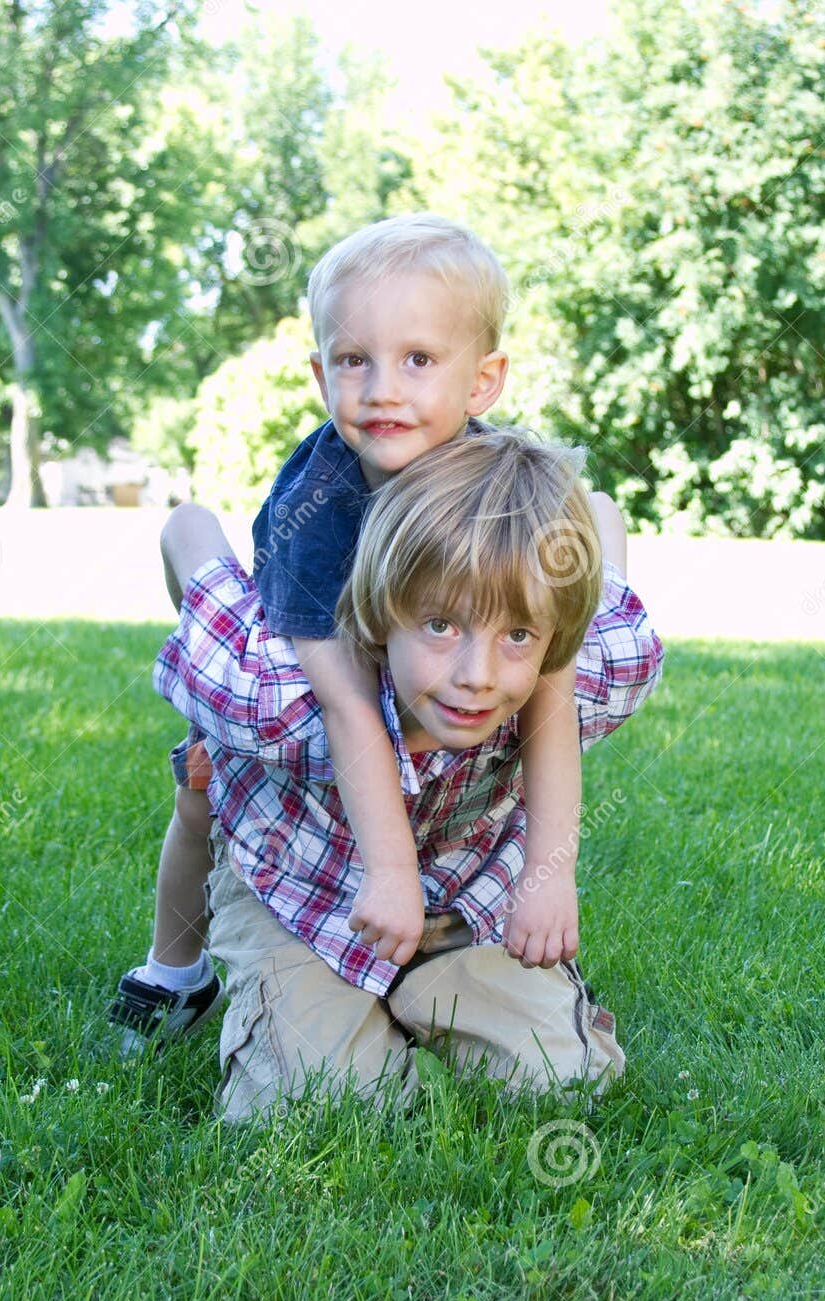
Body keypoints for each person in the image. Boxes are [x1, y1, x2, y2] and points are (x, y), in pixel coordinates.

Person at [109, 215, 593, 1049]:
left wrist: (550, 877)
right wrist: (393, 873)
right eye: (352, 360)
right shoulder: (319, 516)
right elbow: (344, 708)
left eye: (418, 359)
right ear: (320, 373)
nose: (382, 390)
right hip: (306, 655)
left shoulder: (498, 492)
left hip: (402, 654)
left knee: (582, 542)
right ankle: (172, 971)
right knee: (209, 780)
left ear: (483, 383)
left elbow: (555, 694)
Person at [147, 427, 663, 1121]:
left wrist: (549, 876)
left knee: (558, 1084)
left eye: (517, 634)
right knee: (316, 1107)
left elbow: (606, 537)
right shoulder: (276, 697)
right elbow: (187, 535)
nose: (476, 678)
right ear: (381, 614)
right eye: (442, 626)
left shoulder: (577, 672)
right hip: (305, 893)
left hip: (461, 891)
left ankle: (421, 995)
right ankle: (299, 1006)